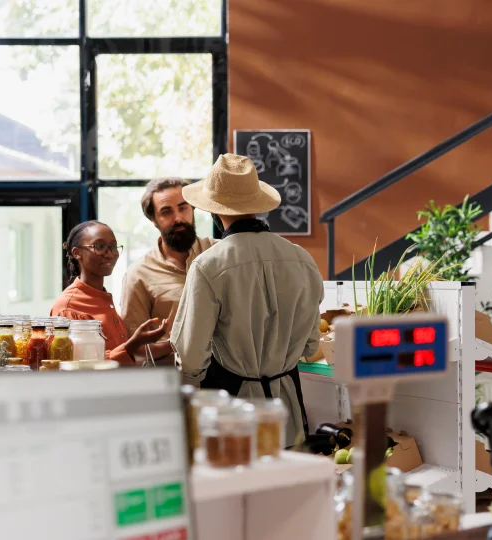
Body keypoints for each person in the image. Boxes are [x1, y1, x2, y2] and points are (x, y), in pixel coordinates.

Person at [171, 154, 324, 446]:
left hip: (231, 416)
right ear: (257, 205)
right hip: (287, 414)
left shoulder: (208, 266)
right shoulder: (303, 260)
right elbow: (311, 345)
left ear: (213, 211)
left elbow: (190, 359)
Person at [120, 178, 216, 366]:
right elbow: (136, 348)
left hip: (229, 378)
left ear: (193, 208)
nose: (178, 218)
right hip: (172, 380)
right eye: (166, 212)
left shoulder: (220, 254)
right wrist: (178, 344)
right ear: (153, 219)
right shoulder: (138, 275)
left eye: (183, 208)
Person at [51, 221, 168, 366]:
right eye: (100, 246)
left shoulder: (103, 298)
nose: (110, 253)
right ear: (77, 253)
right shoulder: (68, 307)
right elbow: (79, 367)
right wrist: (133, 343)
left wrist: (175, 343)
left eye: (113, 246)